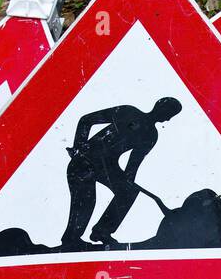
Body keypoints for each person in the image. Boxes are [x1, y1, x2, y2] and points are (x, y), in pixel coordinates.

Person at [60, 97, 182, 249]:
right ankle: (71, 239)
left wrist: (128, 180)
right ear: (158, 106)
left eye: (172, 114)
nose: (168, 117)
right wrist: (79, 146)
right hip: (85, 159)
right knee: (86, 200)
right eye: (169, 112)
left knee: (128, 191)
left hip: (107, 166)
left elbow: (133, 164)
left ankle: (102, 231)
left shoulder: (151, 135)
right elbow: (86, 120)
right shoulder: (128, 112)